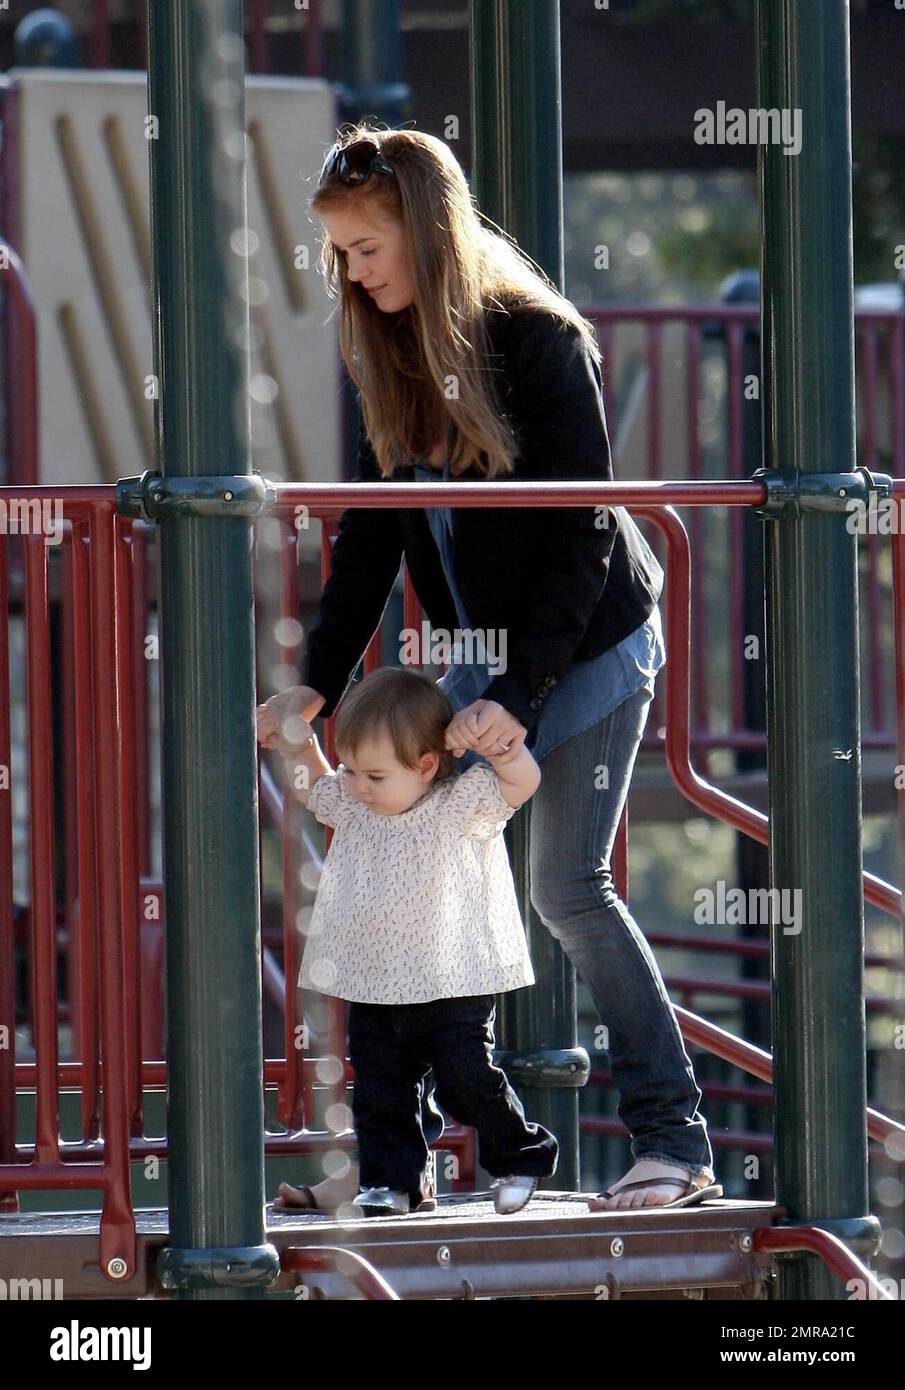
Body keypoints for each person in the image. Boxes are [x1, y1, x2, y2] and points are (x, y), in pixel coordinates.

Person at [257, 121, 721, 1213]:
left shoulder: (533, 341)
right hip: (485, 660)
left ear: (424, 229)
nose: (352, 273)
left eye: (367, 248)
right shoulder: (388, 352)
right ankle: (390, 1161)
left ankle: (675, 1142)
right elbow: (371, 536)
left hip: (588, 646)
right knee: (401, 865)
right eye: (340, 254)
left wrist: (521, 698)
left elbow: (582, 533)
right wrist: (319, 679)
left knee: (566, 887)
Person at [271, 665, 558, 1216]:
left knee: (466, 1077)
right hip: (376, 979)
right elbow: (313, 787)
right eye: (351, 770)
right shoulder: (357, 805)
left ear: (427, 766)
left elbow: (522, 782)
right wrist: (299, 742)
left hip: (453, 979)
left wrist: (501, 750)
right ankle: (394, 1183)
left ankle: (520, 1156)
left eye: (374, 775)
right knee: (382, 1090)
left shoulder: (459, 806)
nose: (356, 785)